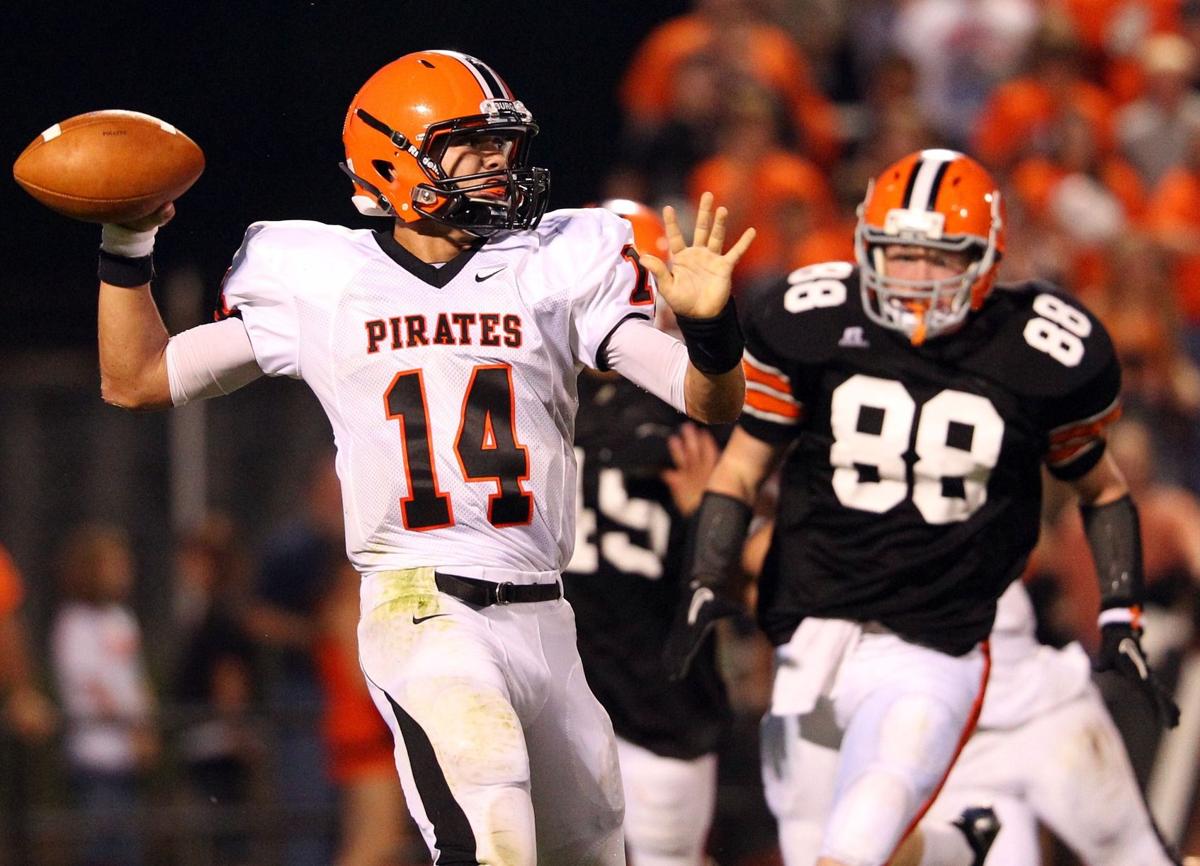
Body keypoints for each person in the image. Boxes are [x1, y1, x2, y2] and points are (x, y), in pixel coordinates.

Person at [92, 49, 751, 866]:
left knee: (592, 848)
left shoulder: (550, 262)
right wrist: (126, 249)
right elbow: (138, 378)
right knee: (493, 816)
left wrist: (714, 331)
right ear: (394, 161)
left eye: (504, 144)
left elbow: (707, 398)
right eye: (472, 145)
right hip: (422, 601)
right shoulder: (324, 277)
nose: (500, 163)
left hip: (546, 614)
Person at [664, 148, 1178, 866]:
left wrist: (1120, 612)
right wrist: (705, 575)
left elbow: (1104, 488)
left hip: (972, 658)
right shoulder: (812, 323)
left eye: (935, 258)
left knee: (1130, 854)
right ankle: (960, 848)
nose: (910, 278)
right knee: (822, 844)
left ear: (985, 259)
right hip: (826, 646)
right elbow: (745, 469)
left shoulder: (1040, 349)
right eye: (894, 254)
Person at [563, 200, 731, 866]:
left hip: (663, 693)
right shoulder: (532, 393)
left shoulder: (698, 404)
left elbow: (755, 565)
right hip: (561, 686)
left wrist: (710, 511)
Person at [50, 523, 158, 866]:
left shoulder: (122, 619)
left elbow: (135, 678)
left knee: (130, 848)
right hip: (94, 755)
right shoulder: (74, 623)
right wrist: (134, 727)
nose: (125, 572)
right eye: (115, 564)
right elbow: (93, 686)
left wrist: (148, 727)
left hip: (126, 756)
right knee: (100, 848)